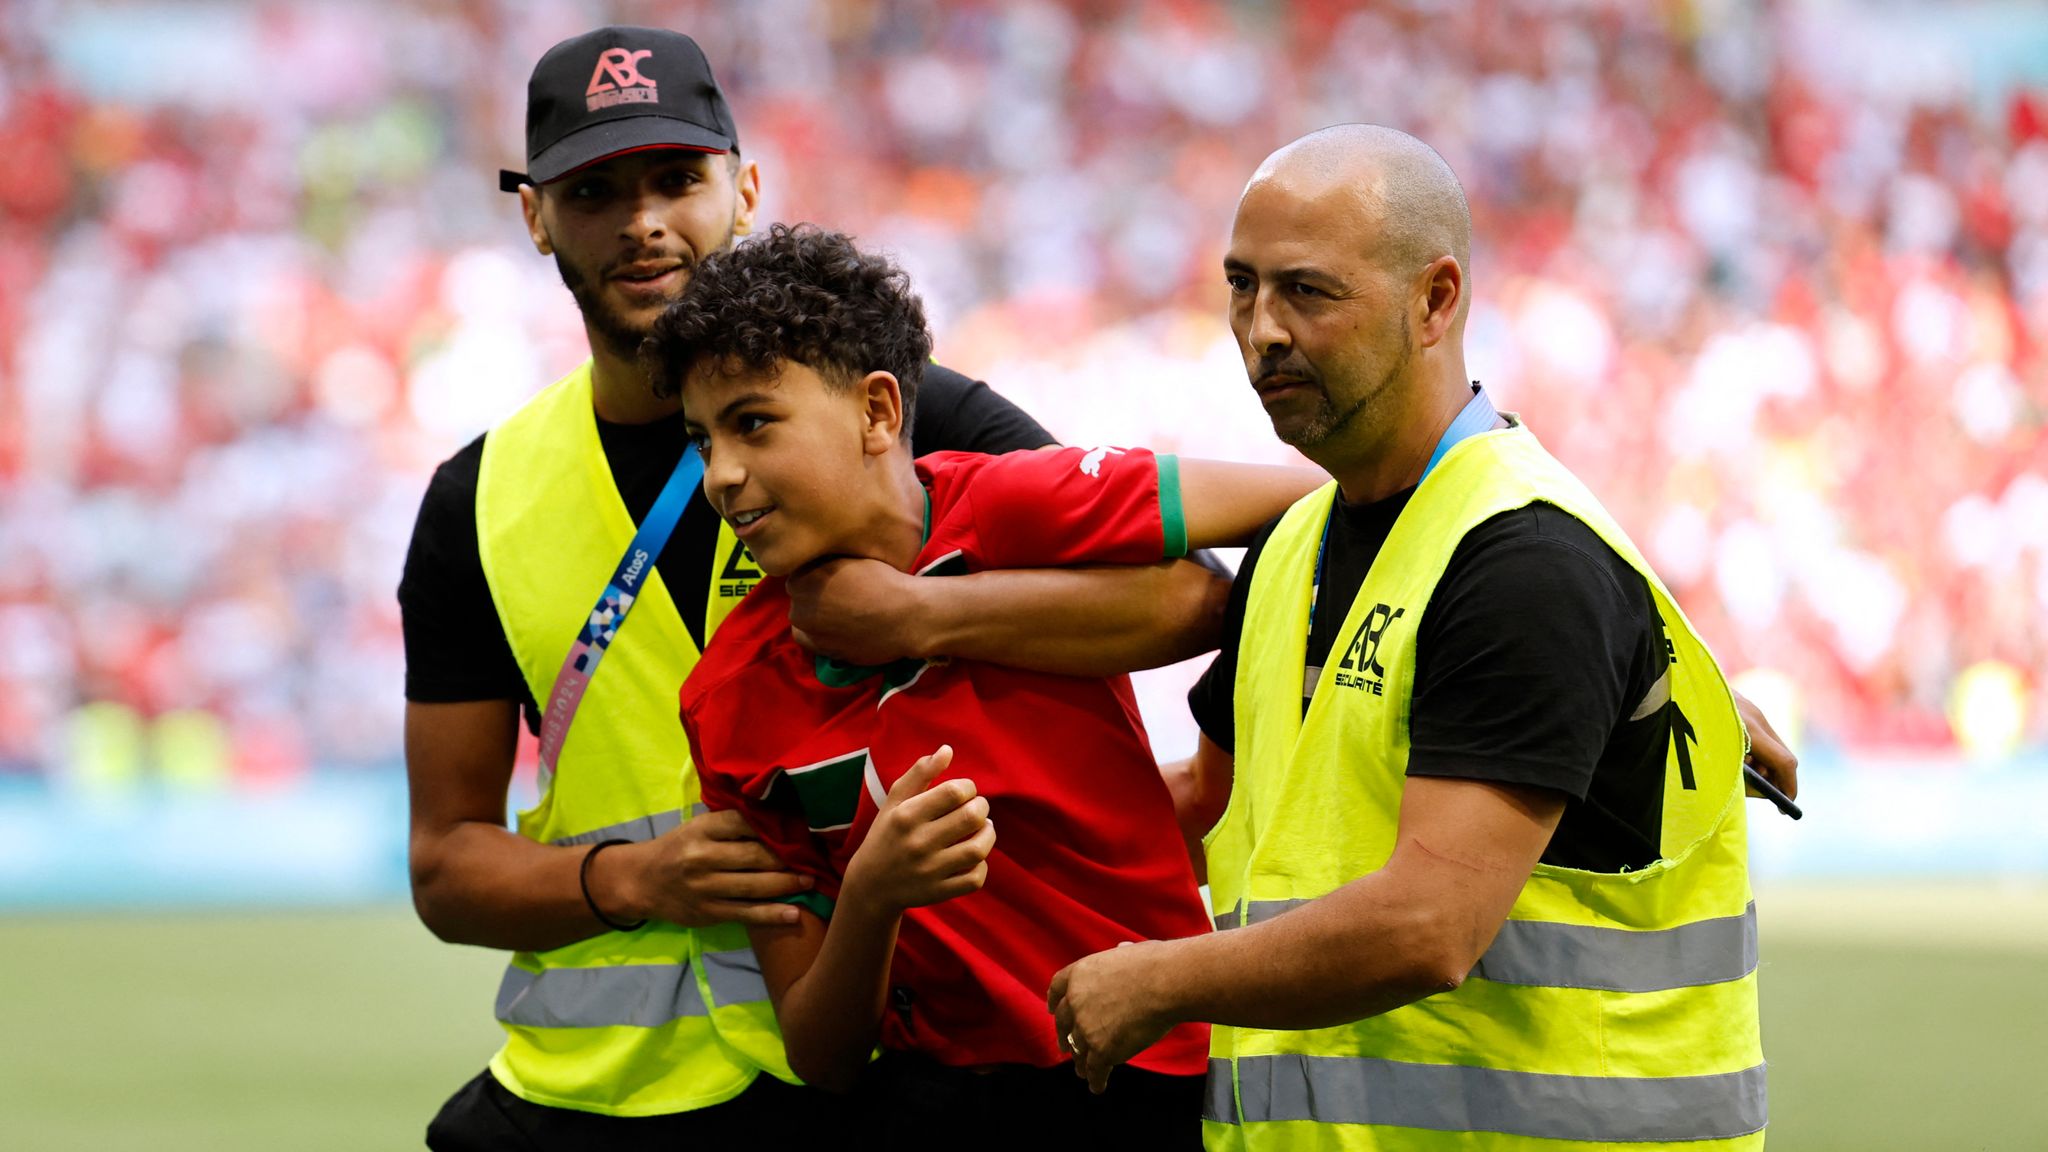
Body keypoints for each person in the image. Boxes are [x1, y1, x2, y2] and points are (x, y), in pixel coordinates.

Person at [400, 26, 1225, 1149]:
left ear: (743, 189)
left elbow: (1184, 599)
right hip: (592, 1096)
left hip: (880, 1080)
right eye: (593, 190)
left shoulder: (895, 404)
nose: (642, 220)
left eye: (677, 179)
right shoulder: (476, 501)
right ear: (535, 216)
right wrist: (631, 879)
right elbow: (446, 866)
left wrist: (926, 612)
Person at [1047, 125, 1783, 1150]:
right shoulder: (1294, 545)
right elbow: (1210, 805)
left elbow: (1428, 926)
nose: (1260, 329)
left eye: (1306, 291)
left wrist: (1159, 978)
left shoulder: (1527, 563)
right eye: (1240, 286)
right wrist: (936, 862)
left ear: (1436, 301)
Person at [653, 224, 1321, 1149]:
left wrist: (923, 617)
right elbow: (824, 1054)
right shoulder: (725, 698)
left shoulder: (1018, 506)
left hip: (1167, 1066)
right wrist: (872, 897)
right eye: (701, 438)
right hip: (940, 1099)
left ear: (879, 412)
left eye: (754, 423)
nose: (721, 475)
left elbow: (1303, 506)